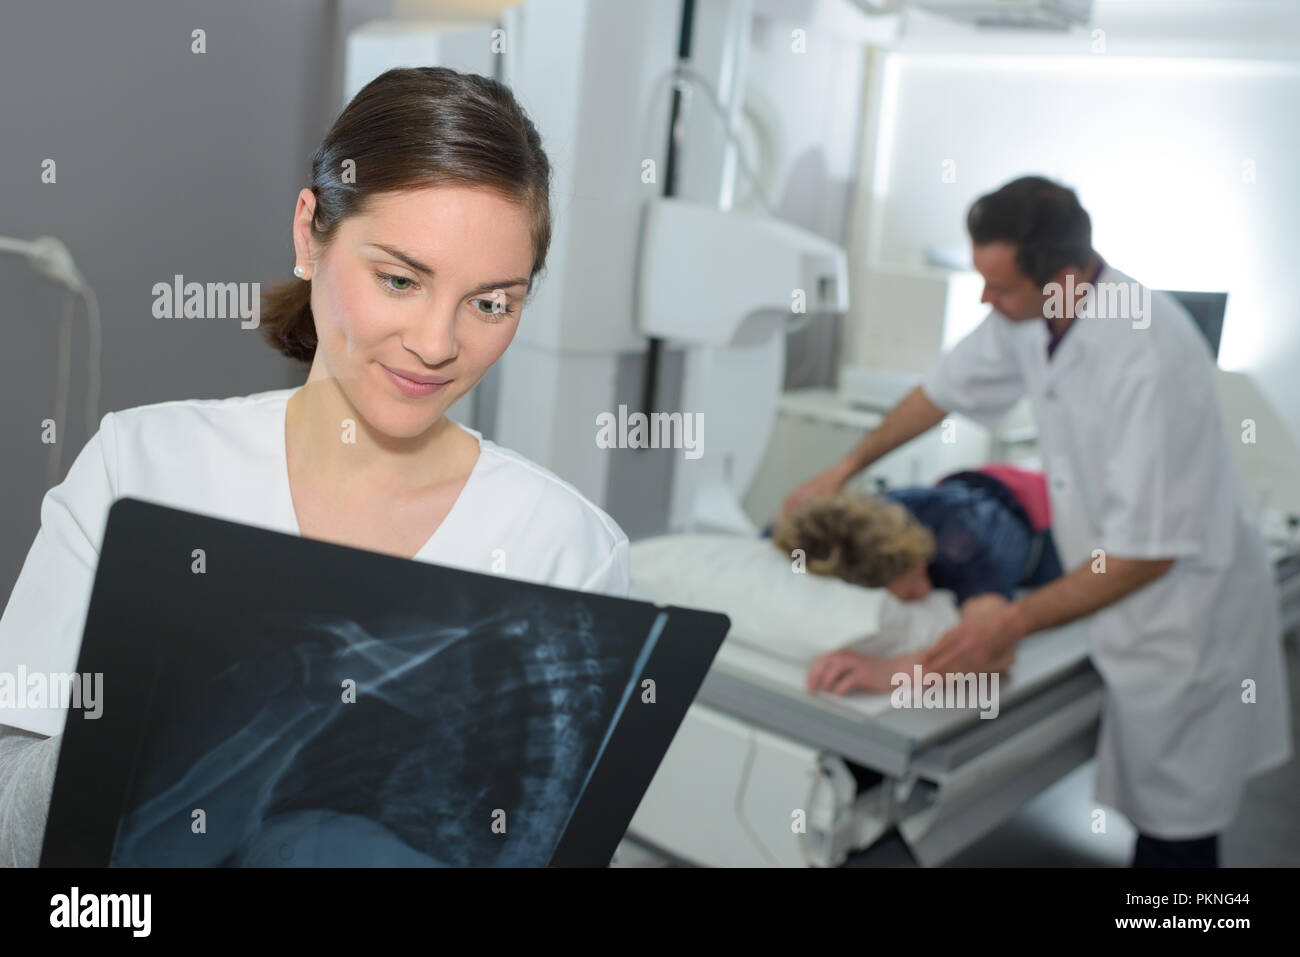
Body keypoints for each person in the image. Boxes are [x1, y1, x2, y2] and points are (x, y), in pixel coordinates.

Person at [0, 67, 629, 868]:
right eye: (399, 279)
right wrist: (150, 729)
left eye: (491, 302)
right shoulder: (142, 468)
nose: (438, 343)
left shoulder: (566, 546)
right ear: (309, 232)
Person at [782, 175, 1291, 868]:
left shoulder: (1147, 356)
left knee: (1176, 827)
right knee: (1163, 805)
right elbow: (939, 391)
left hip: (1186, 612)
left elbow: (1147, 555)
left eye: (1002, 287)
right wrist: (841, 470)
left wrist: (1010, 621)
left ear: (1069, 276)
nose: (987, 300)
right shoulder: (1034, 317)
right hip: (1108, 567)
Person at [769, 465, 1062, 694]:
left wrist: (891, 671)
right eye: (909, 591)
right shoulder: (865, 518)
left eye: (921, 574)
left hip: (1047, 515)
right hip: (975, 483)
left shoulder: (958, 549)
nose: (924, 591)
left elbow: (997, 649)